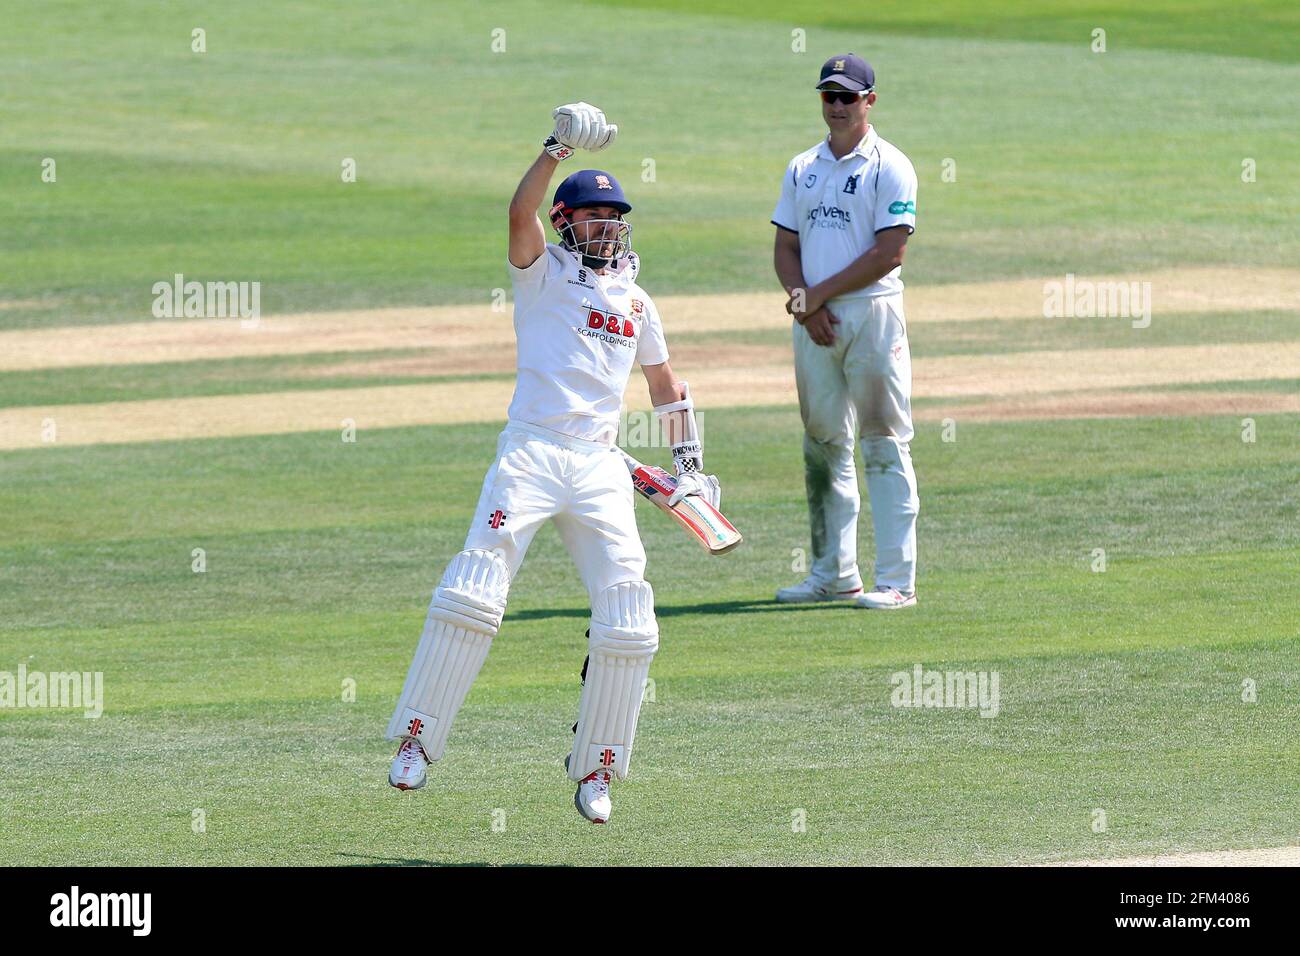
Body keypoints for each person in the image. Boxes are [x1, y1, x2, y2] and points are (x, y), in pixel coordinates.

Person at [385, 103, 722, 823]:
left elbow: (666, 388)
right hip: (531, 452)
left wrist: (689, 463)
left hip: (601, 466)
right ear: (567, 222)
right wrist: (554, 150)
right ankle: (418, 740)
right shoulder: (541, 273)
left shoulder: (636, 299)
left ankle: (598, 768)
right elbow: (518, 209)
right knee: (477, 586)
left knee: (630, 612)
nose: (607, 225)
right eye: (593, 214)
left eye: (615, 215)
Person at [771, 54, 920, 610]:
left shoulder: (890, 165)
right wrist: (803, 304)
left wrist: (818, 297)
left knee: (884, 442)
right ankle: (833, 573)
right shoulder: (801, 166)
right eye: (829, 96)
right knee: (824, 442)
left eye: (847, 97)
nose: (836, 106)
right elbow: (786, 246)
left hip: (872, 315)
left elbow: (890, 252)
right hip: (815, 320)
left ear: (869, 102)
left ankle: (897, 581)